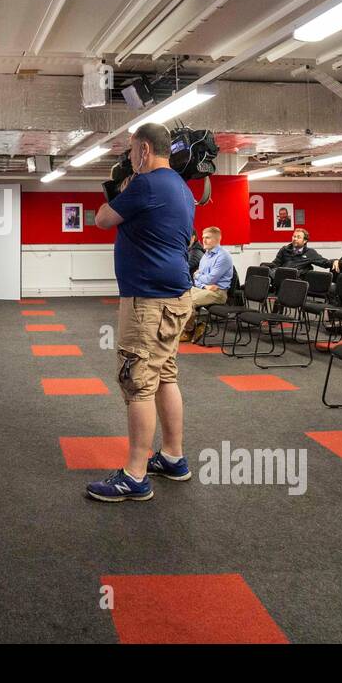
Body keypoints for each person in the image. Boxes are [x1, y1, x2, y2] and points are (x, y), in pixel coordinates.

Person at [85, 123, 195, 502]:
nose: (130, 158)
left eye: (132, 151)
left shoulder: (146, 185)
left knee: (137, 382)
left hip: (148, 302)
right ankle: (173, 457)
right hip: (176, 297)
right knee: (165, 375)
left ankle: (134, 476)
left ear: (144, 150)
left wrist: (124, 188)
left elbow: (101, 219)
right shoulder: (181, 186)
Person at [182, 226, 232, 343]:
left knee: (190, 301)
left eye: (208, 238)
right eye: (204, 237)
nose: (204, 240)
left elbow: (209, 278)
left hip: (218, 293)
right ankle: (196, 326)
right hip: (205, 289)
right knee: (181, 295)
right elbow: (199, 280)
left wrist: (199, 276)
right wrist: (204, 284)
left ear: (217, 239)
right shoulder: (206, 255)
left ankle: (188, 331)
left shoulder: (223, 256)